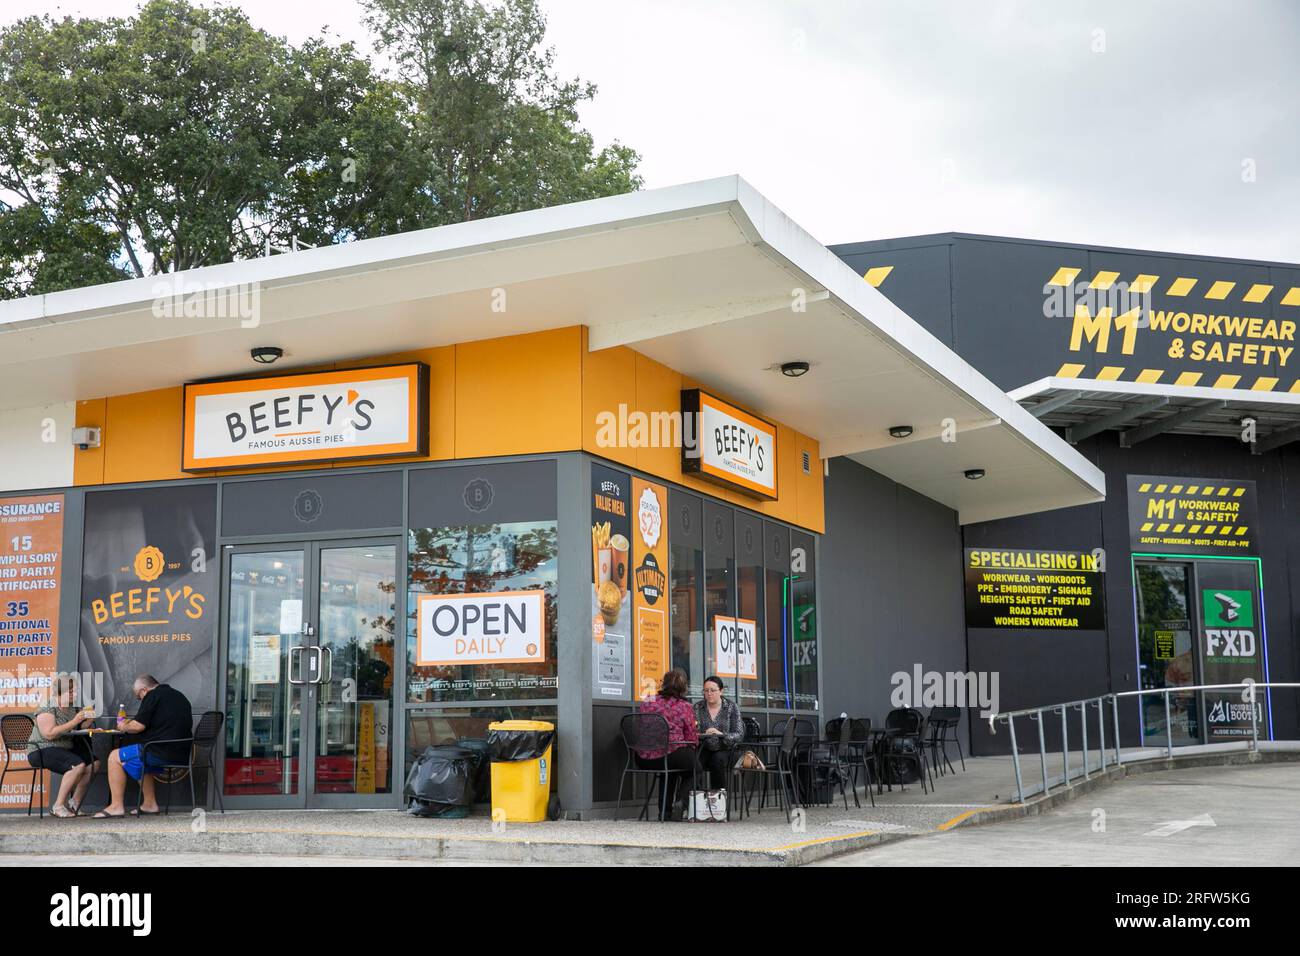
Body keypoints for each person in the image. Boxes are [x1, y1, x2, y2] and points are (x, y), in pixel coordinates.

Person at [94, 675, 193, 818]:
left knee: (114, 757)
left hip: (158, 750)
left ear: (144, 690)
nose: (140, 700)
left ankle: (116, 806)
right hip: (182, 753)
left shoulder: (152, 696)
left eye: (138, 698)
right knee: (136, 761)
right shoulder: (180, 697)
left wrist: (123, 726)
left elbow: (138, 726)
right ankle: (150, 804)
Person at [27, 675, 98, 817]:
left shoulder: (72, 708)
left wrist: (88, 721)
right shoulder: (47, 707)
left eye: (76, 691)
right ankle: (58, 806)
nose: (75, 694)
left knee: (94, 764)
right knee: (77, 765)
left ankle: (74, 805)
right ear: (59, 693)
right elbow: (49, 734)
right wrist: (74, 721)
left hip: (64, 748)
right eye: (71, 692)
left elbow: (76, 728)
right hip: (42, 749)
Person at [635, 668, 698, 819]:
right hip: (669, 754)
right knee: (696, 768)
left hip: (643, 757)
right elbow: (691, 738)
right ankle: (680, 801)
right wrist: (693, 746)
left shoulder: (648, 700)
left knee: (671, 769)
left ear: (664, 684)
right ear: (684, 687)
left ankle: (665, 813)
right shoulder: (685, 706)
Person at [694, 675, 743, 789]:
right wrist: (703, 735)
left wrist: (722, 735)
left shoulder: (731, 707)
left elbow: (739, 734)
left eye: (713, 690)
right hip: (704, 747)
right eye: (706, 690)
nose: (709, 693)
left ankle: (718, 799)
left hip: (726, 749)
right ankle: (697, 798)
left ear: (721, 691)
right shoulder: (697, 707)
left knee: (717, 759)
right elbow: (693, 732)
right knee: (694, 761)